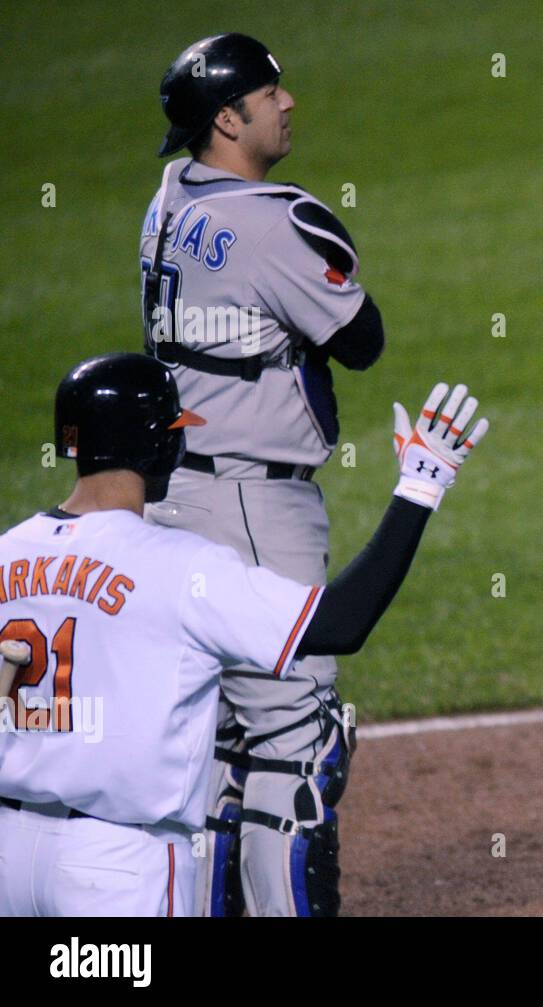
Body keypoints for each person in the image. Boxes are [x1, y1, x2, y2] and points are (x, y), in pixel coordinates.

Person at [0, 353, 487, 917]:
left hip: (10, 855)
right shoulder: (180, 569)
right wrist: (419, 488)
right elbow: (340, 623)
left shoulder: (9, 552)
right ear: (157, 447)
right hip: (114, 869)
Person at [140, 33, 385, 915]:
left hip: (171, 500)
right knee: (296, 739)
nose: (288, 104)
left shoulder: (167, 199)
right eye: (268, 94)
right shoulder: (275, 218)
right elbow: (362, 341)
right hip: (252, 505)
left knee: (213, 739)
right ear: (226, 117)